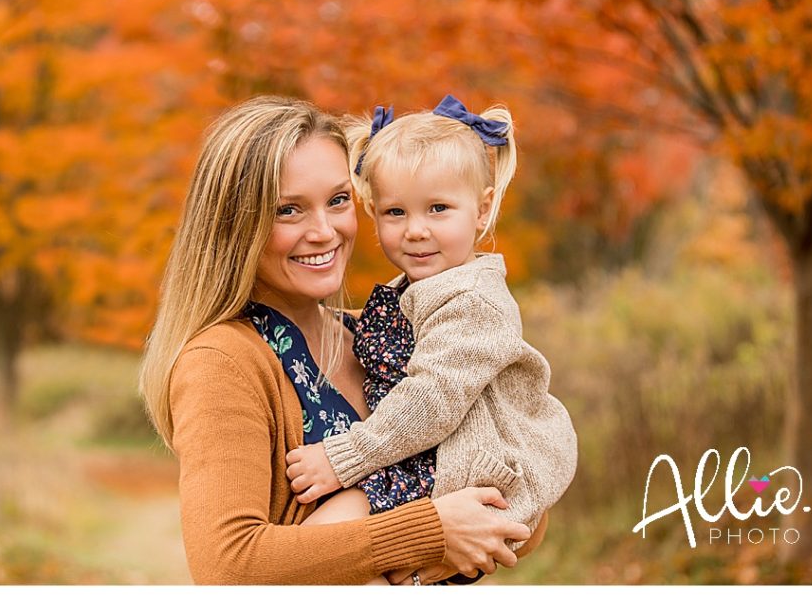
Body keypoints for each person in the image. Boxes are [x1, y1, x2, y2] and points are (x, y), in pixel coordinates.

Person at [138, 96, 544, 585]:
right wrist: (428, 531)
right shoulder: (222, 361)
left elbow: (515, 509)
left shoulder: (384, 332)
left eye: (337, 200)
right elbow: (228, 567)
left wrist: (491, 513)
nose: (324, 231)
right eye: (289, 210)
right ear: (236, 227)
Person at [283, 95, 578, 583]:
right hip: (420, 460)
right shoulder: (414, 293)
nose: (416, 231)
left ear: (481, 211)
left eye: (438, 209)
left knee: (320, 549)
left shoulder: (473, 301)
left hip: (458, 469)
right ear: (374, 213)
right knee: (336, 559)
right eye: (396, 212)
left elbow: (433, 398)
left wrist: (342, 457)